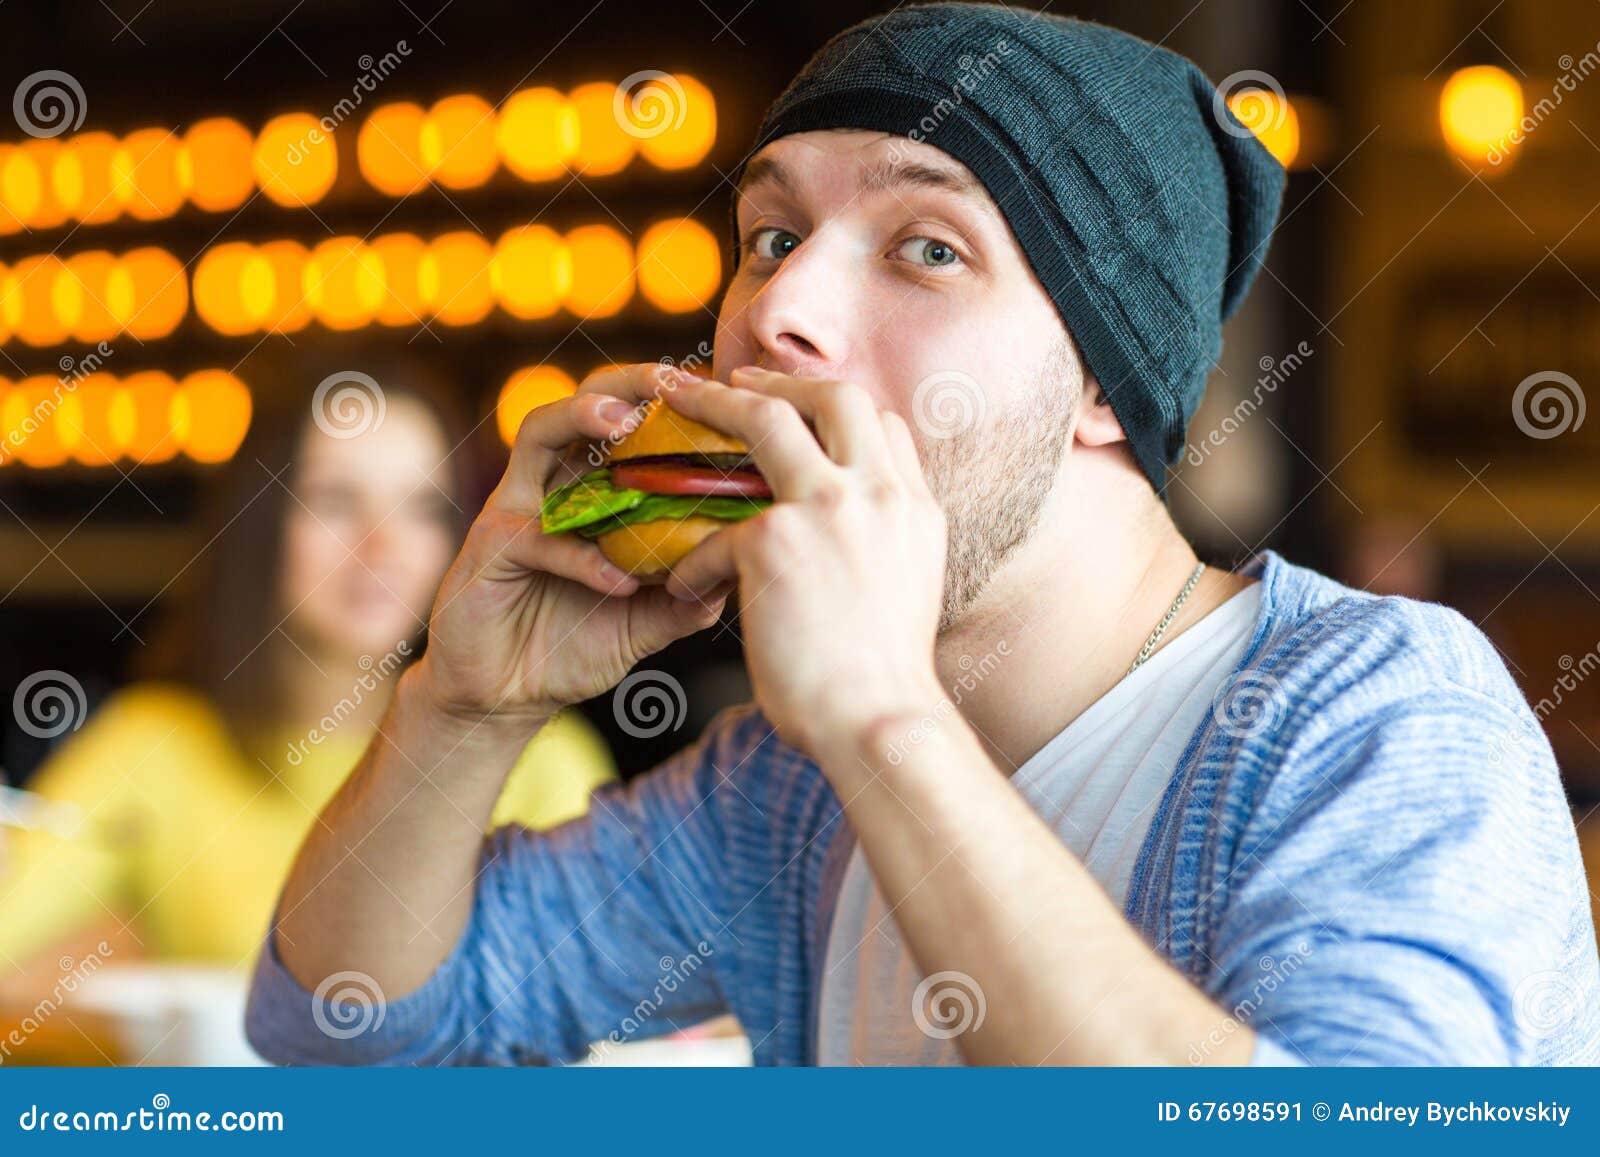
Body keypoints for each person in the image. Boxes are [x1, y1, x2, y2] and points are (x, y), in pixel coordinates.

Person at [245, 6, 1600, 1066]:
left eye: (929, 247)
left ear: (1101, 387)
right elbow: (349, 1037)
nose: (779, 314)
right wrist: (460, 710)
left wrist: (887, 726)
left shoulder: (1380, 713)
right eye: (773, 236)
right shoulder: (777, 793)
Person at [0, 356, 616, 977]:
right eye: (337, 501)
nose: (384, 545)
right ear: (260, 523)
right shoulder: (152, 749)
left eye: (422, 508)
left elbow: (608, 1010)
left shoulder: (538, 759)